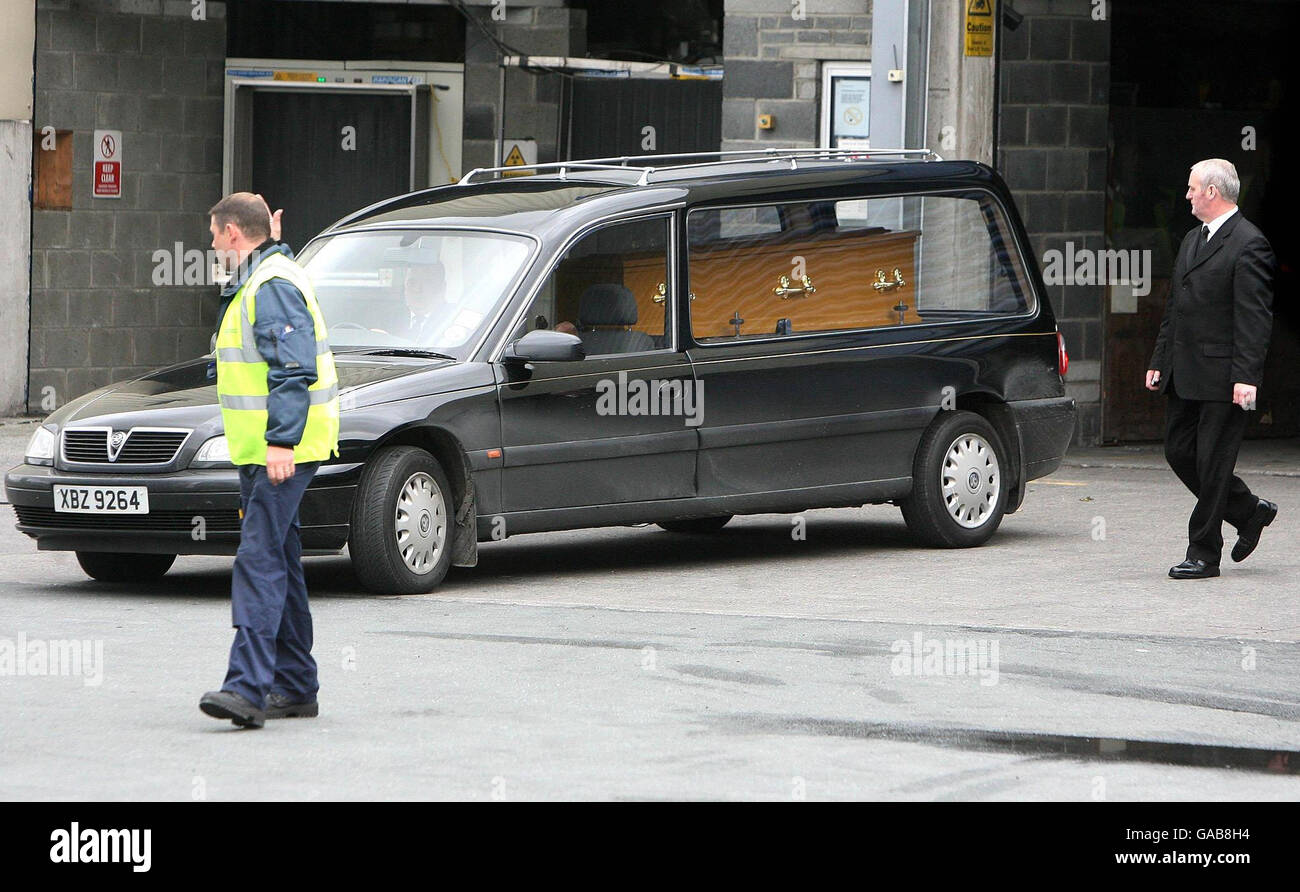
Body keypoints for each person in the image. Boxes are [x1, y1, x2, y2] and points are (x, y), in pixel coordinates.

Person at [199, 192, 340, 728]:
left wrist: (281, 442)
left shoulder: (272, 284)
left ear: (234, 233)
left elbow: (292, 366)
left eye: (215, 234)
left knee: (257, 559)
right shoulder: (267, 273)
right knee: (279, 560)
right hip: (268, 449)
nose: (212, 245)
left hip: (285, 449)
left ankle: (247, 689)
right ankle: (297, 685)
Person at [1145, 159, 1277, 580]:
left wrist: (1246, 377)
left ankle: (1203, 552)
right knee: (1180, 452)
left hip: (1224, 378)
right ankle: (1248, 510)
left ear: (1212, 193)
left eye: (1191, 188)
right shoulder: (1191, 239)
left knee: (1213, 464)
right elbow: (1174, 310)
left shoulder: (1249, 243)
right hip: (1184, 373)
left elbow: (1254, 319)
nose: (1186, 194)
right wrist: (1158, 362)